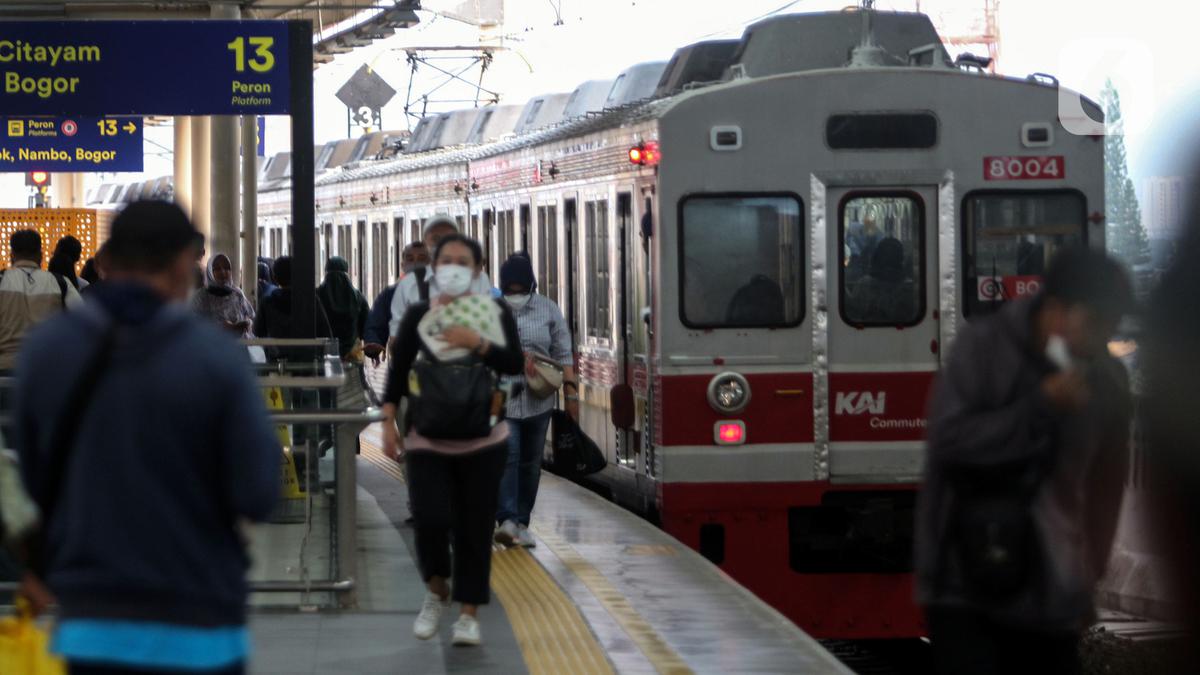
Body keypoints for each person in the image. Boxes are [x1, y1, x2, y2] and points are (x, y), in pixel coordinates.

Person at [13, 200, 279, 674]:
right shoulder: (215, 359)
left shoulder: (47, 353)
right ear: (184, 264)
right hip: (201, 624)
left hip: (89, 625)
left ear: (105, 263)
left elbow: (34, 480)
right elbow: (258, 491)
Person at [916, 247, 1135, 675]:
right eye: (1093, 324)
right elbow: (949, 442)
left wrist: (1091, 575)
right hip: (965, 587)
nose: (1098, 340)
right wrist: (1041, 405)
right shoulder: (982, 348)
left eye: (1108, 327)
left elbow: (1106, 486)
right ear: (1055, 311)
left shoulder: (1107, 380)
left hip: (1053, 592)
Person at [381, 234, 523, 647]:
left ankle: (468, 614)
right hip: (427, 436)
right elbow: (397, 370)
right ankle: (437, 587)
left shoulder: (494, 311)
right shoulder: (418, 316)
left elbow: (513, 362)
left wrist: (476, 342)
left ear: (478, 270)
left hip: (483, 437)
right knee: (430, 519)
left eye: (464, 261)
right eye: (447, 261)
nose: (454, 268)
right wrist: (388, 421)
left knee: (474, 529)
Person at [493, 253, 577, 548]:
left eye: (520, 288)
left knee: (531, 462)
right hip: (503, 399)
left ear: (531, 285)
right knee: (509, 456)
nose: (515, 295)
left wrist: (571, 395)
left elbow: (564, 352)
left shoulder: (548, 309)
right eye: (509, 289)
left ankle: (523, 521)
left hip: (539, 400)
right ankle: (507, 519)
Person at [387, 216, 492, 348]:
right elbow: (396, 338)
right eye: (435, 239)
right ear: (425, 244)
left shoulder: (479, 281)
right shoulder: (409, 285)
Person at [0, 229, 83, 374]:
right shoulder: (60, 283)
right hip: (47, 370)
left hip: (4, 367)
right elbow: (84, 324)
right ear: (40, 255)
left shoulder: (2, 281)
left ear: (11, 255)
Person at [364, 242, 429, 365]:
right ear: (403, 265)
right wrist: (374, 343)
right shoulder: (390, 294)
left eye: (422, 259)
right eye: (410, 259)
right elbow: (376, 323)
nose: (415, 264)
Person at [845, 237, 916, 324]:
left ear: (876, 258)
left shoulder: (864, 284)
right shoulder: (909, 287)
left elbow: (854, 312)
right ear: (901, 260)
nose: (888, 268)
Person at [191, 253, 255, 338]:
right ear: (210, 271)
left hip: (240, 346)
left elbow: (250, 316)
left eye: (227, 268)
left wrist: (248, 323)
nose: (223, 272)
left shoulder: (237, 293)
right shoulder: (200, 297)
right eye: (217, 269)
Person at [317, 256, 369, 361]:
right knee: (353, 377)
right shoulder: (358, 297)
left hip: (323, 352)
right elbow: (366, 326)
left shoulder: (317, 295)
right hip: (352, 352)